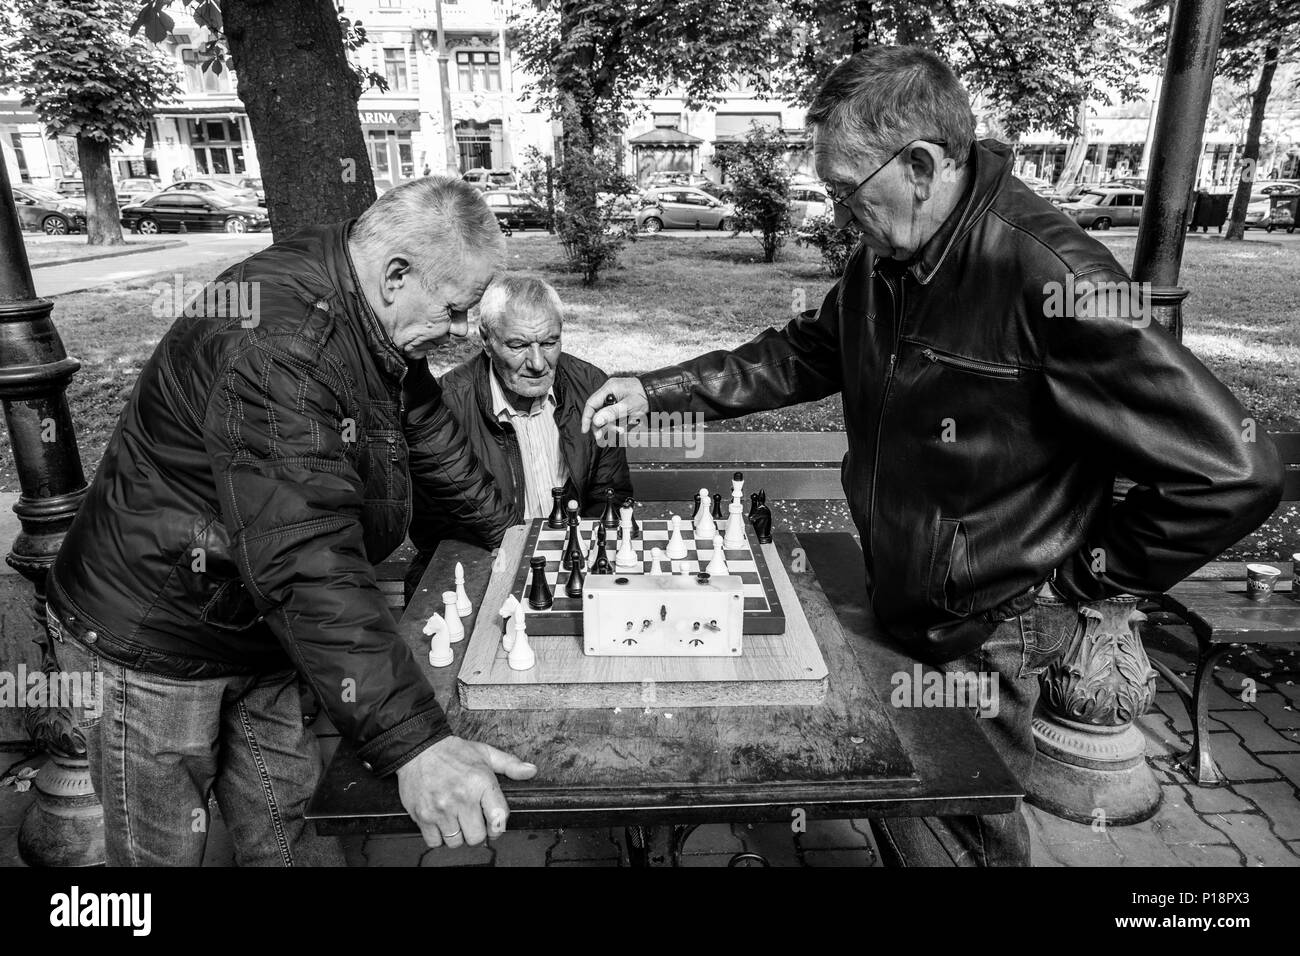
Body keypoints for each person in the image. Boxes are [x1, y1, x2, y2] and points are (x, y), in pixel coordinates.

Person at [582, 47, 1283, 867]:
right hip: (909, 588)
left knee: (964, 826)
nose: (843, 213)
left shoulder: (1052, 273)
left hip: (992, 621)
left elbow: (1236, 468)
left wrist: (1079, 579)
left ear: (920, 164)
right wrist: (657, 391)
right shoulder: (891, 256)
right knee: (915, 795)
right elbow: (807, 352)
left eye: (847, 190)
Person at [47, 176, 536, 866]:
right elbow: (307, 556)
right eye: (455, 310)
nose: (459, 333)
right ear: (397, 275)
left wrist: (508, 530)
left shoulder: (367, 302)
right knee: (159, 857)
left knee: (293, 835)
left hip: (256, 624)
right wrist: (415, 745)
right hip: (154, 635)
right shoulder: (283, 347)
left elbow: (421, 424)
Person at [406, 275, 633, 599]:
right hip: (484, 570)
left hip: (572, 567)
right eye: (518, 345)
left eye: (550, 342)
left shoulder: (592, 387)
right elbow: (433, 532)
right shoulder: (447, 406)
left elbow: (610, 496)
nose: (538, 363)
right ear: (486, 339)